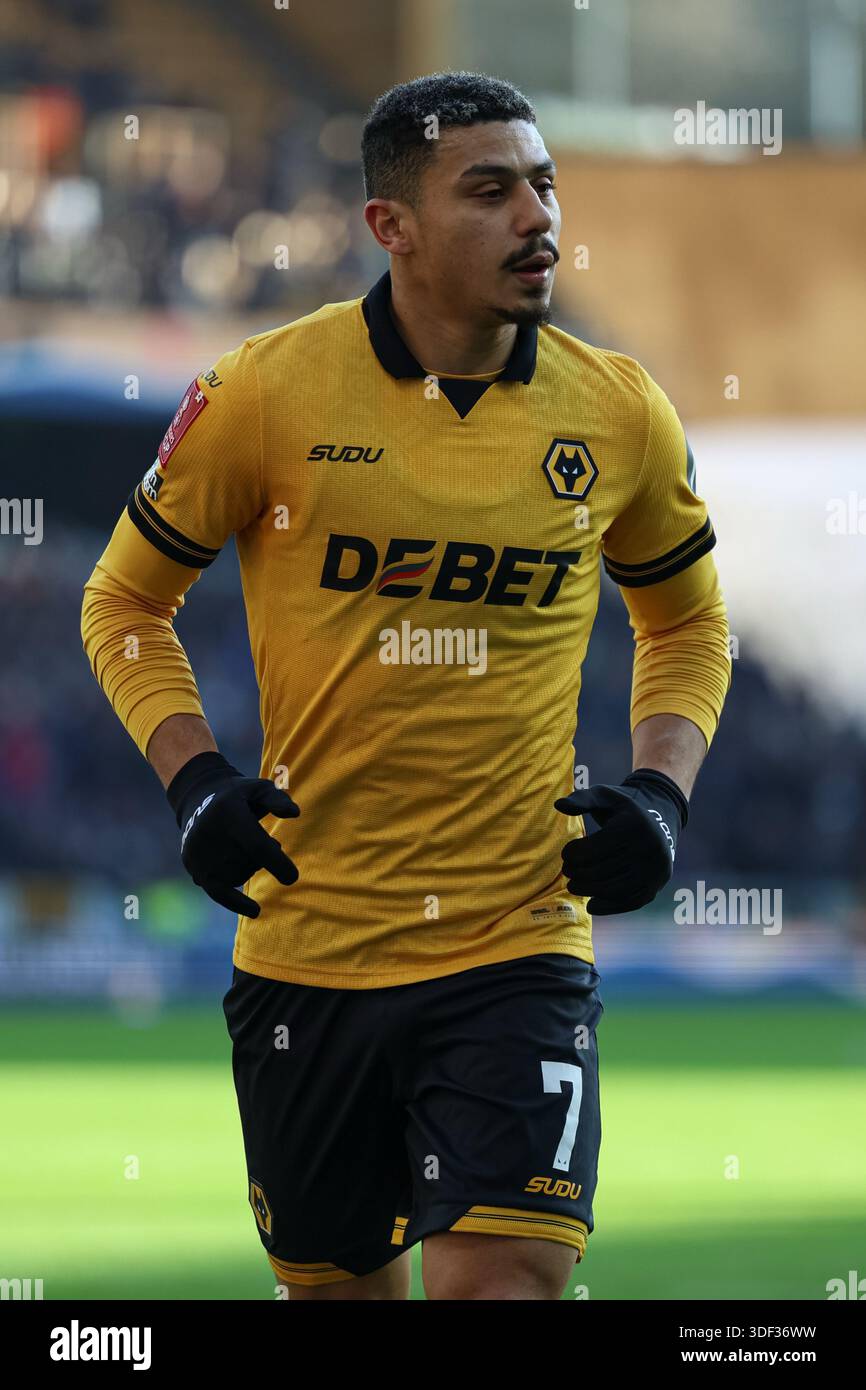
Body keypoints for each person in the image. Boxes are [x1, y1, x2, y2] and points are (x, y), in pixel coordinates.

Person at [81, 71, 731, 1301]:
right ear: (392, 227)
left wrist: (660, 794)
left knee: (505, 1287)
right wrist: (196, 782)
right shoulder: (260, 394)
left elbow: (688, 623)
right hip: (306, 954)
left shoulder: (617, 410)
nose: (536, 216)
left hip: (517, 941)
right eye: (488, 190)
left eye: (542, 183)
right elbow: (121, 600)